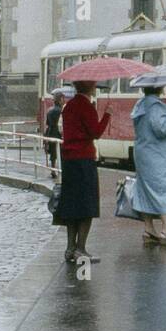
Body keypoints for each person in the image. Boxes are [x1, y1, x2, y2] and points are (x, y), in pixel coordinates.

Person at [52, 78, 110, 263]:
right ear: (90, 87)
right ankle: (81, 249)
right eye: (94, 84)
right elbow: (96, 132)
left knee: (71, 204)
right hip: (84, 159)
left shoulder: (68, 106)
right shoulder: (86, 106)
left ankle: (70, 248)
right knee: (87, 205)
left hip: (69, 160)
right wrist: (107, 115)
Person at [131, 86, 166, 246]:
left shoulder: (140, 105)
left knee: (145, 190)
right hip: (158, 157)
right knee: (165, 188)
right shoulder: (155, 106)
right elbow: (162, 128)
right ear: (159, 88)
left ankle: (148, 228)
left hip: (144, 154)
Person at [43, 89, 68, 177]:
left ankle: (53, 170)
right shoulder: (61, 111)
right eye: (63, 99)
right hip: (58, 133)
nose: (64, 100)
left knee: (53, 153)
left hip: (50, 132)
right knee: (61, 152)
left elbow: (47, 124)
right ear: (60, 99)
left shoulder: (50, 110)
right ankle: (60, 170)